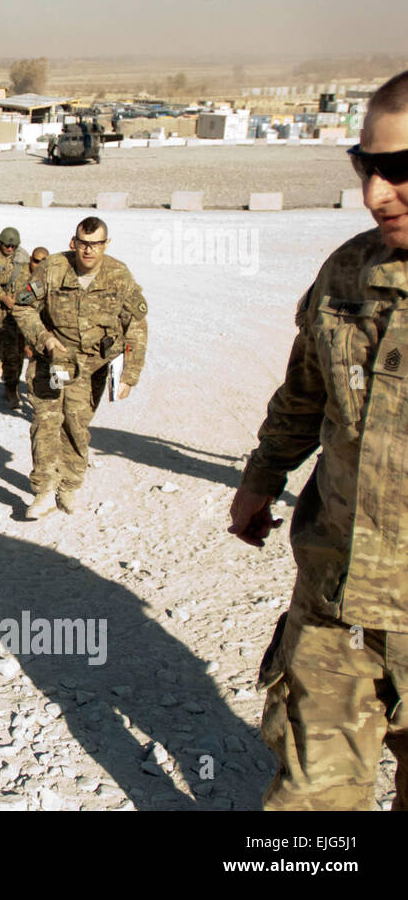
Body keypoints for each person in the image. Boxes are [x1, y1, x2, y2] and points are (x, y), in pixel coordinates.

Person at [228, 70, 408, 811]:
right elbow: (305, 393)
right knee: (310, 807)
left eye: (400, 171)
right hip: (336, 598)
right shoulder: (347, 274)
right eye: (366, 166)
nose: (374, 193)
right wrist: (261, 478)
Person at [12, 216, 147, 519]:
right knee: (46, 423)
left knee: (75, 426)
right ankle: (44, 490)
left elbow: (135, 324)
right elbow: (23, 306)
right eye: (83, 244)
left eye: (95, 244)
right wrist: (43, 337)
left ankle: (69, 486)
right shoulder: (54, 268)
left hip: (90, 368)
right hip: (53, 360)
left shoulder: (118, 275)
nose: (88, 251)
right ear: (74, 242)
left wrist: (129, 375)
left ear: (105, 244)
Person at [0, 228, 34, 408]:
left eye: (13, 246)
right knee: (12, 357)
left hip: (32, 323)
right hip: (8, 320)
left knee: (36, 359)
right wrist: (3, 297)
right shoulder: (16, 268)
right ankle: (11, 389)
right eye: (7, 245)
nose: (10, 249)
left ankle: (36, 395)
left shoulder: (47, 276)